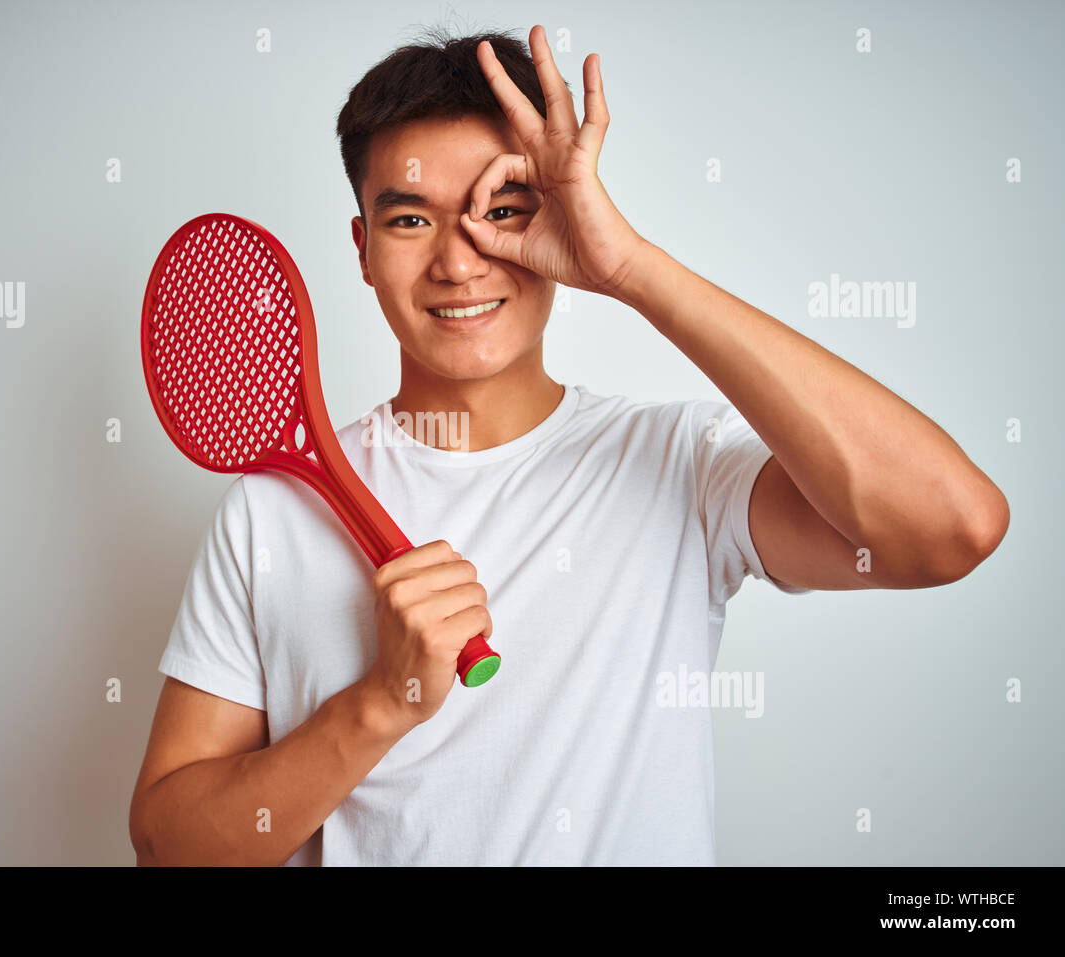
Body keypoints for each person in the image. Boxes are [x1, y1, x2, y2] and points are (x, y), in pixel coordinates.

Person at [128, 25, 1009, 866]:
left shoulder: (681, 464)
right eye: (409, 220)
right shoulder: (269, 515)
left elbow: (952, 526)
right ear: (361, 248)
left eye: (501, 209)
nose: (459, 261)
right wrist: (375, 705)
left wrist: (629, 267)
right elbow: (171, 847)